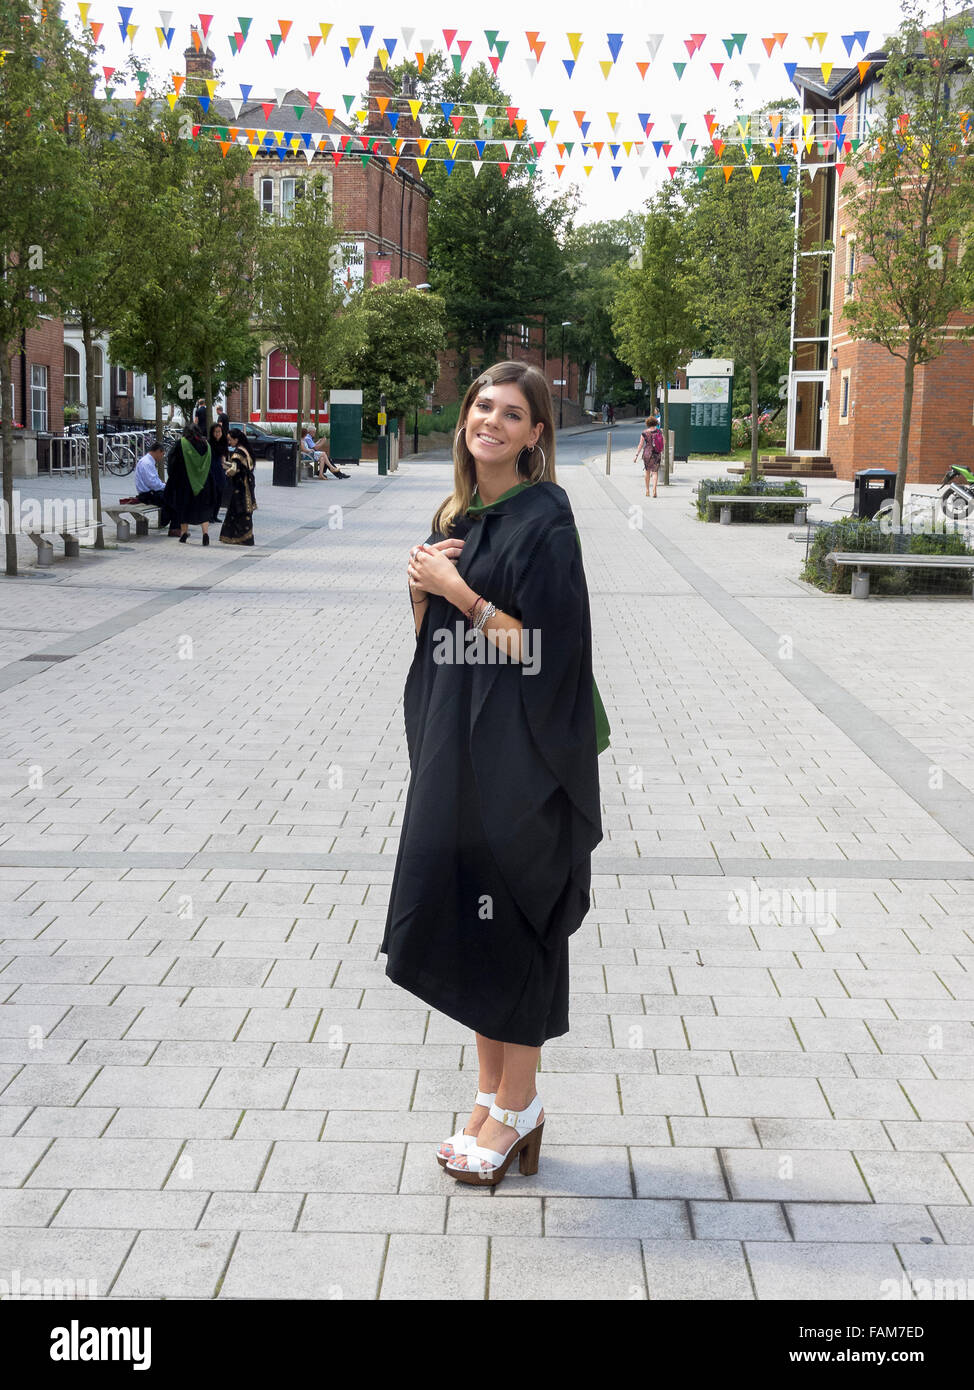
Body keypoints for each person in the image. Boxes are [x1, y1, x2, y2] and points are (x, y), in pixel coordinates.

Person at [380, 360, 609, 1189]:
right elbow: (435, 643)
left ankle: (518, 1105)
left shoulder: (547, 519)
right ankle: (490, 1095)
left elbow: (545, 647)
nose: (493, 423)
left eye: (513, 414)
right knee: (468, 919)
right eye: (483, 407)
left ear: (536, 435)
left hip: (524, 759)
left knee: (515, 919)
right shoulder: (457, 511)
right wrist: (420, 591)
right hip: (460, 749)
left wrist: (458, 591)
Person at [162, 419, 220, 545]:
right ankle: (205, 534)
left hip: (185, 484)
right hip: (205, 483)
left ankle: (183, 533)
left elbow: (172, 463)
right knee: (204, 509)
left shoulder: (181, 444)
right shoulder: (207, 445)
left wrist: (173, 478)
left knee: (184, 508)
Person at [219, 428, 257, 546]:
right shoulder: (245, 449)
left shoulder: (237, 453)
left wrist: (226, 470)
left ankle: (239, 537)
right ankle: (247, 537)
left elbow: (235, 469)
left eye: (230, 440)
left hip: (240, 486)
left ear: (236, 439)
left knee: (239, 509)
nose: (229, 443)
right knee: (245, 510)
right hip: (248, 483)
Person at [634, 414, 664, 498]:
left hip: (647, 453)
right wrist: (661, 450)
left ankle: (647, 490)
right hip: (656, 453)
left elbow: (640, 445)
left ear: (647, 423)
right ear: (655, 423)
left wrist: (636, 455)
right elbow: (663, 441)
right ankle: (654, 490)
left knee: (647, 471)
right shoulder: (659, 431)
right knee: (655, 472)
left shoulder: (644, 432)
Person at [133, 442, 167, 509]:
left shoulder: (147, 461)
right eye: (162, 454)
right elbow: (153, 484)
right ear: (158, 451)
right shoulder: (147, 463)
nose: (162, 457)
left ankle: (167, 518)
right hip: (148, 495)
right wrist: (167, 486)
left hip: (150, 494)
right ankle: (168, 519)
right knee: (174, 498)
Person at [208, 421, 230, 521]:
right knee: (213, 493)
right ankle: (210, 515)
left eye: (219, 432)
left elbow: (223, 457)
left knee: (220, 492)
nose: (218, 434)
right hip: (211, 468)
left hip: (219, 469)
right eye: (216, 432)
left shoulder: (223, 442)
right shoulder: (209, 443)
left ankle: (215, 515)